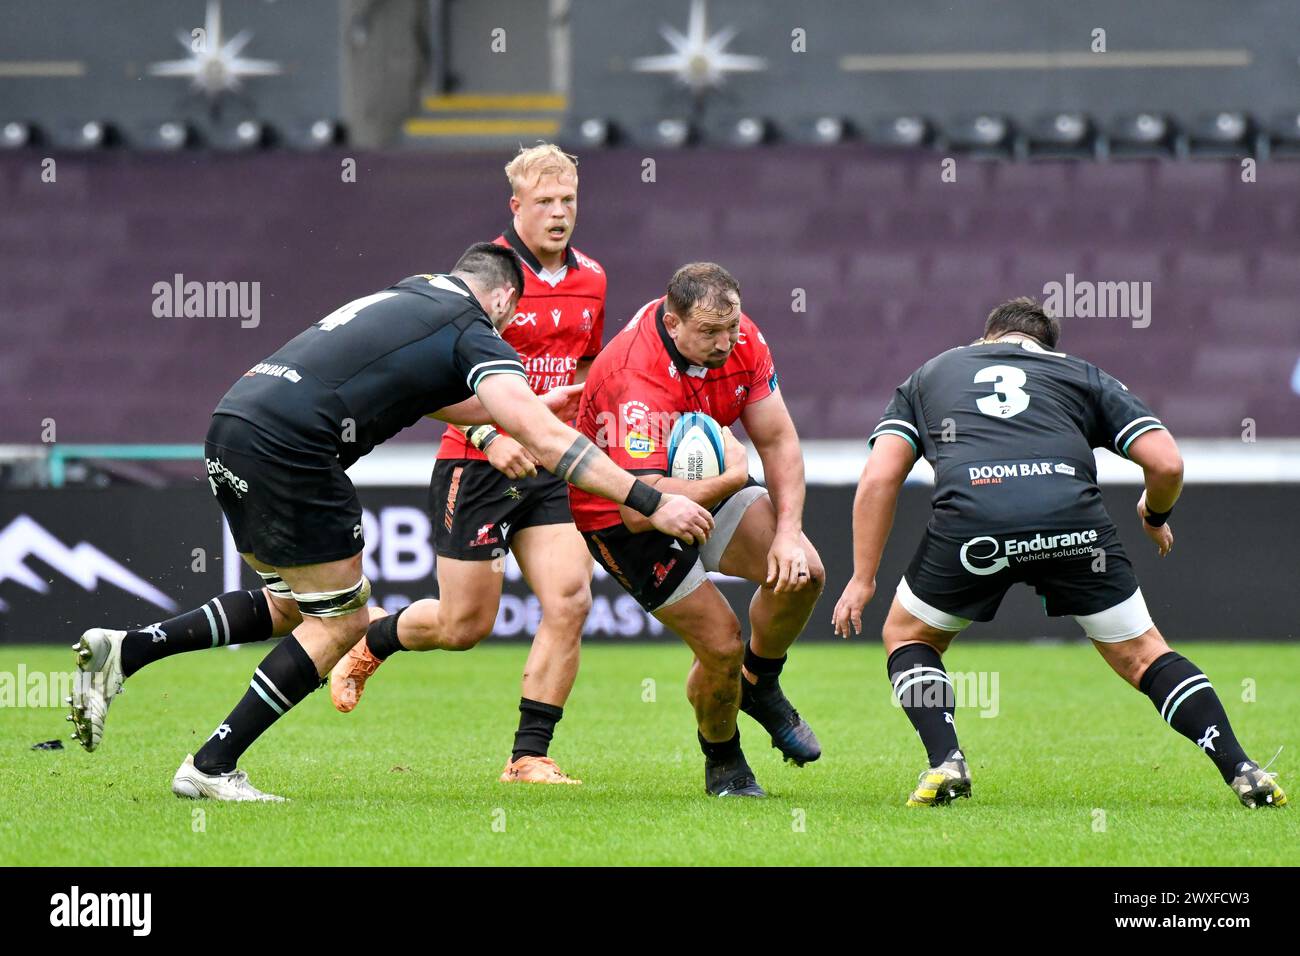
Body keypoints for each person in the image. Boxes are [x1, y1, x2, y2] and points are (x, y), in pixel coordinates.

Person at [68, 243, 713, 801]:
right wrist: (654, 500)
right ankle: (211, 765)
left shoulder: (411, 295)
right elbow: (551, 443)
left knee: (291, 605)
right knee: (343, 620)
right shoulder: (473, 327)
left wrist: (517, 411)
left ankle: (127, 649)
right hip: (295, 452)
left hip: (234, 427)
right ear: (505, 305)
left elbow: (424, 392)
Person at [831, 297, 1287, 810]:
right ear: (1045, 346)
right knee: (1144, 655)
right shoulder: (1080, 375)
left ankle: (946, 761)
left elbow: (879, 478)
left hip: (974, 523)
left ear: (989, 337)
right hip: (1071, 523)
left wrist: (863, 577)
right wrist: (1155, 516)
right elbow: (1167, 463)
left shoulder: (931, 374)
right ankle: (1242, 768)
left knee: (908, 635)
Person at [329, 145, 604, 786]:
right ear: (516, 207)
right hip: (475, 465)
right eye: (544, 203)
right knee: (464, 625)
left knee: (570, 599)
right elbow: (423, 382)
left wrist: (572, 429)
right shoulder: (481, 279)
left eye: (568, 201)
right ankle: (372, 640)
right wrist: (486, 431)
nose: (559, 214)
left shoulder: (594, 278)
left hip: (548, 465)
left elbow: (586, 366)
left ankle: (528, 755)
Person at [571, 262, 824, 798]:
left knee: (802, 573)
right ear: (672, 321)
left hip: (700, 481)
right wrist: (733, 477)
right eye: (709, 332)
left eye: (730, 327)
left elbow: (778, 440)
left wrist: (787, 533)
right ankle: (724, 762)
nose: (725, 342)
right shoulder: (633, 378)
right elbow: (642, 509)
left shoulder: (743, 338)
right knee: (721, 645)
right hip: (621, 517)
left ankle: (761, 682)